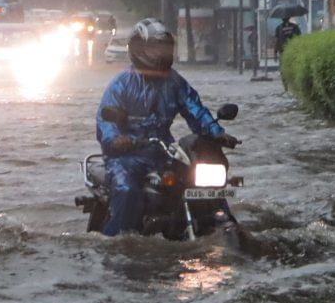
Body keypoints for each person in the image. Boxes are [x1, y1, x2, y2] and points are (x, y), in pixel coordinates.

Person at [94, 18, 239, 237]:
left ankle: (225, 227)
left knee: (203, 184)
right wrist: (116, 139)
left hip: (163, 151)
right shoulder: (121, 83)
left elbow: (195, 110)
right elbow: (106, 120)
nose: (160, 54)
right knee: (128, 190)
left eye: (163, 49)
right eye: (154, 48)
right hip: (126, 156)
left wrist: (217, 133)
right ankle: (118, 241)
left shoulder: (175, 82)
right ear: (139, 49)